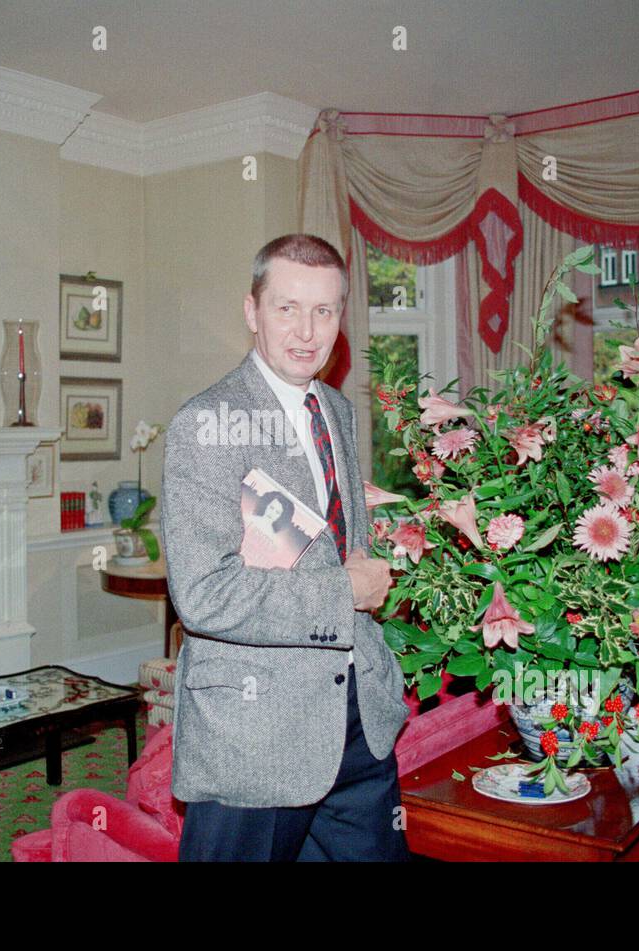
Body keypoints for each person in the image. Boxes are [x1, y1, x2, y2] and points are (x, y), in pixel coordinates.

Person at [160, 233, 410, 861]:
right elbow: (203, 595)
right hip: (257, 734)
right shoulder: (205, 423)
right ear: (252, 312)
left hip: (357, 722)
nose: (307, 330)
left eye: (324, 310)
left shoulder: (336, 409)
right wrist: (344, 591)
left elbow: (332, 543)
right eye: (287, 308)